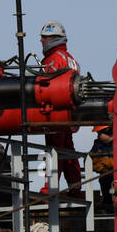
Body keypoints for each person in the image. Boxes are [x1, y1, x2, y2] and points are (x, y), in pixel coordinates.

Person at [38, 20, 83, 194]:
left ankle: (50, 185)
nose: (42, 41)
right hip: (70, 113)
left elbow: (47, 88)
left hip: (55, 112)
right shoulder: (70, 59)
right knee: (68, 150)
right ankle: (75, 186)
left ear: (53, 39)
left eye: (45, 38)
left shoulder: (54, 60)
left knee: (53, 149)